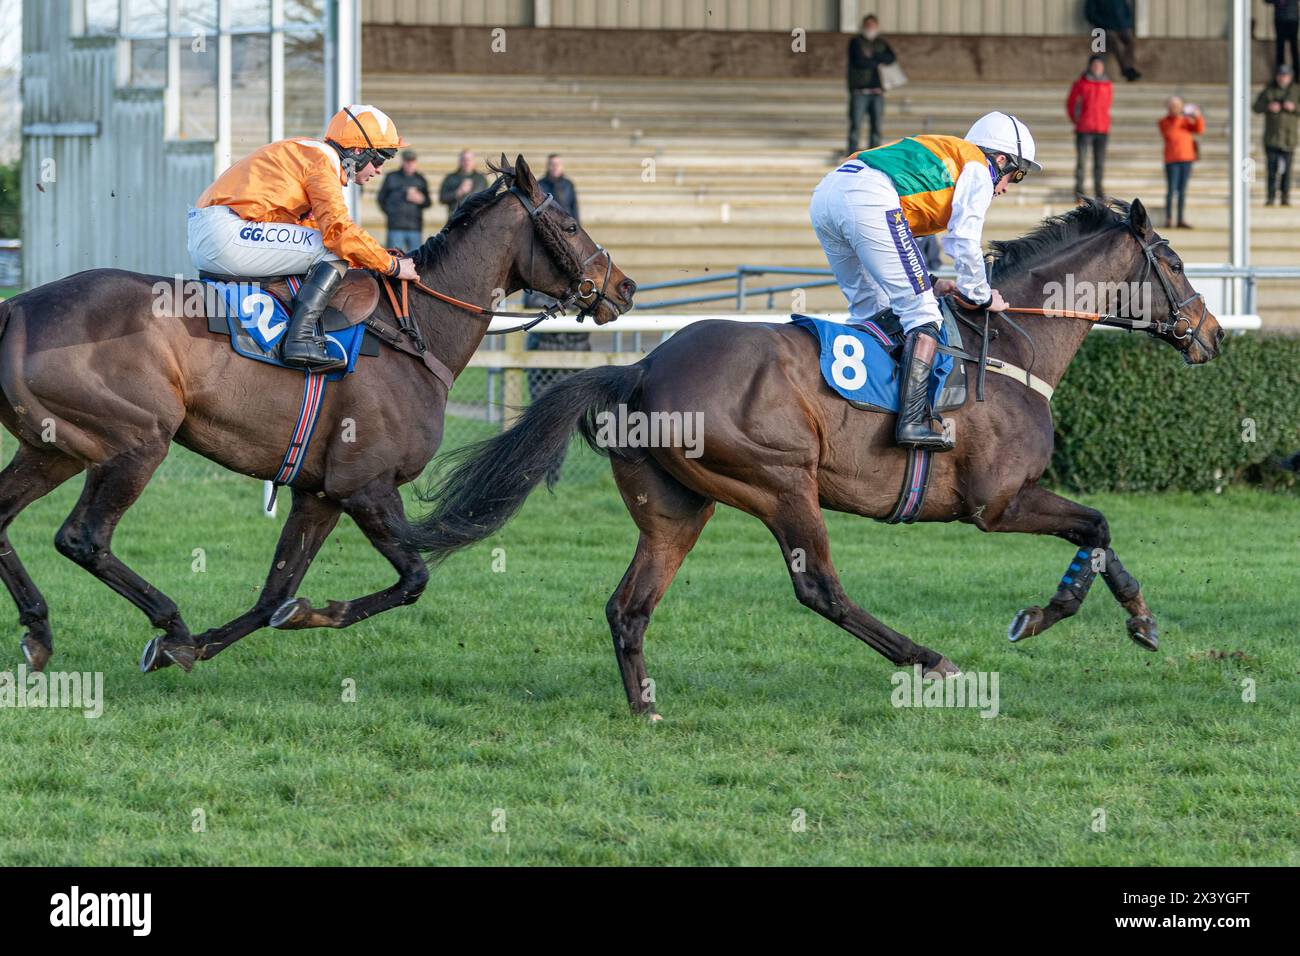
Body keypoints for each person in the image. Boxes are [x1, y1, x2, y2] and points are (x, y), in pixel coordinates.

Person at [810, 112, 1039, 450]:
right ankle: (912, 422)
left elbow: (892, 247)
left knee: (872, 310)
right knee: (923, 315)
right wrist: (981, 295)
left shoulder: (947, 153)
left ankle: (859, 410)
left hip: (827, 194)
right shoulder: (978, 166)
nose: (1005, 188)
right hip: (868, 197)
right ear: (1000, 160)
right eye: (1014, 176)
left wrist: (933, 282)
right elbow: (962, 240)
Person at [188, 104, 418, 370]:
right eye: (379, 159)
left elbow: (312, 228)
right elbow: (338, 234)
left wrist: (372, 257)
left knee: (325, 246)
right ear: (358, 151)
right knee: (331, 250)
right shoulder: (321, 162)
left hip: (216, 231)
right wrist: (392, 265)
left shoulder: (311, 155)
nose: (378, 169)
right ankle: (300, 339)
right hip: (226, 232)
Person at [524, 154, 589, 411]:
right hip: (547, 236)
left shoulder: (568, 185)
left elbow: (575, 214)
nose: (554, 167)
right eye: (552, 163)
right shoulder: (541, 185)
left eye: (558, 164)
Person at [845, 15, 897, 154]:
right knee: (856, 124)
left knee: (877, 125)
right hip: (860, 91)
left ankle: (874, 152)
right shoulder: (856, 42)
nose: (870, 28)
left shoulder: (881, 43)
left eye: (873, 25)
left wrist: (872, 58)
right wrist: (877, 60)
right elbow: (859, 61)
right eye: (868, 25)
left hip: (877, 91)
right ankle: (851, 152)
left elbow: (891, 58)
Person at [1066, 54, 1113, 199]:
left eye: (1100, 65)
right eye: (1095, 65)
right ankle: (1079, 192)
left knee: (1099, 163)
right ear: (1090, 67)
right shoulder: (1080, 84)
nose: (1097, 68)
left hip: (1102, 129)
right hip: (1084, 129)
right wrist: (1078, 120)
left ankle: (1099, 192)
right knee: (1082, 162)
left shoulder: (1108, 85)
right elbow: (1071, 104)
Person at [1254, 63, 1299, 206]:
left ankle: (1285, 197)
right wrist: (1268, 107)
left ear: (1290, 77)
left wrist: (1294, 108)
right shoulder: (1269, 90)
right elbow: (1256, 107)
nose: (1282, 78)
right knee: (1272, 170)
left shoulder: (1296, 91)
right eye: (1280, 75)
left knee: (1287, 171)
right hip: (1272, 138)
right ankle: (1271, 197)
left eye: (1285, 76)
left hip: (1288, 138)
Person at [1158, 96, 1204, 228]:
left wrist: (1197, 116)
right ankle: (1169, 218)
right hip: (1172, 159)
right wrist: (1181, 118)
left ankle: (1180, 219)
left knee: (1182, 191)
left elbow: (1200, 129)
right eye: (1173, 106)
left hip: (1186, 159)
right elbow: (1170, 133)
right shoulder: (1164, 122)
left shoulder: (1186, 121)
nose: (1175, 109)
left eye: (1177, 106)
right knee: (1171, 190)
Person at [376, 149, 431, 252]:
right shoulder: (391, 177)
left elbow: (428, 202)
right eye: (407, 161)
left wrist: (421, 199)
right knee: (393, 260)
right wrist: (391, 213)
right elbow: (381, 199)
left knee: (416, 262)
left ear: (416, 162)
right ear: (402, 161)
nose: (410, 164)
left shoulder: (421, 179)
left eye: (412, 161)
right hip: (395, 227)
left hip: (415, 228)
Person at [1085, 0, 1141, 82]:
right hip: (1104, 28)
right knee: (1114, 42)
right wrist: (1103, 24)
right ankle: (1127, 70)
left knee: (1130, 42)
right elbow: (1090, 14)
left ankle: (1129, 68)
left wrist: (1126, 24)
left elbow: (1126, 10)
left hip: (1121, 27)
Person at [438, 150, 488, 217]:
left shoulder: (481, 179)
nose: (467, 162)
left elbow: (488, 199)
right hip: (455, 218)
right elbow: (442, 198)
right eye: (464, 159)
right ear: (459, 161)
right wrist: (459, 192)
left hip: (475, 218)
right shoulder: (450, 178)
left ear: (474, 161)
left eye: (469, 159)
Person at [1266, 0, 1299, 74]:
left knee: (1294, 47)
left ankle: (1297, 74)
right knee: (1280, 46)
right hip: (1280, 18)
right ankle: (1280, 75)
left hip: (1292, 18)